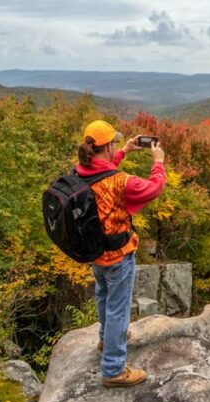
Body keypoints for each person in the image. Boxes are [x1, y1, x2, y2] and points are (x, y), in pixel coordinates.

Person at [75, 120, 166, 387]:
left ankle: (106, 339)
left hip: (95, 251)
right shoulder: (120, 182)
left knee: (103, 296)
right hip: (118, 254)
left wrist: (125, 150)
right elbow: (155, 187)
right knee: (118, 308)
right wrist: (158, 161)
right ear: (107, 146)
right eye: (114, 143)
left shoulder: (81, 170)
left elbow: (106, 169)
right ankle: (114, 369)